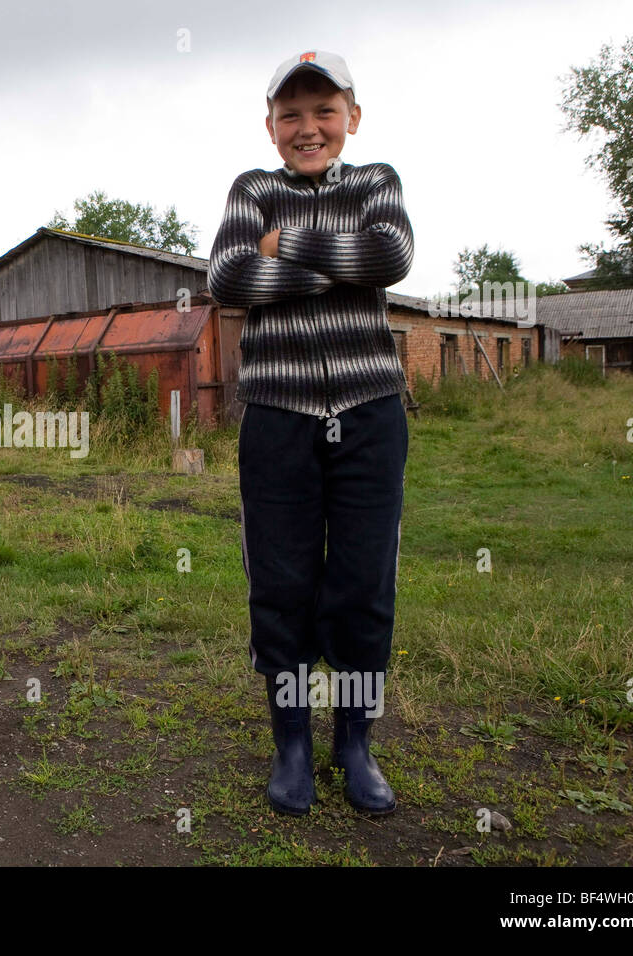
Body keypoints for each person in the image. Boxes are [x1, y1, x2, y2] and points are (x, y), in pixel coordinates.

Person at [207, 51, 414, 816]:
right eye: (290, 114)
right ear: (270, 127)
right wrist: (342, 260)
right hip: (276, 419)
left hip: (369, 413)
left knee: (363, 585)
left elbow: (389, 255)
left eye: (324, 111)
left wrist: (282, 245)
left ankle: (353, 742)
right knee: (285, 584)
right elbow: (227, 278)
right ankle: (291, 742)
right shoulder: (251, 190)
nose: (308, 128)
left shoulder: (376, 183)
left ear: (352, 118)